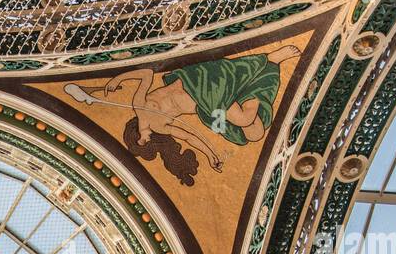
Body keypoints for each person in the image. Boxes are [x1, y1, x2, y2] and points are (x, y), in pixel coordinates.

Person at [64, 46, 300, 185]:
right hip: (207, 106)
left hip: (198, 82)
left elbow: (146, 73)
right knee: (255, 132)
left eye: (140, 141)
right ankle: (253, 88)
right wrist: (211, 155)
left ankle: (270, 61)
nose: (145, 140)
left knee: (243, 120)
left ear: (137, 134)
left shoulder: (139, 105)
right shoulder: (161, 128)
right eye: (145, 144)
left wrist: (118, 79)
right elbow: (189, 138)